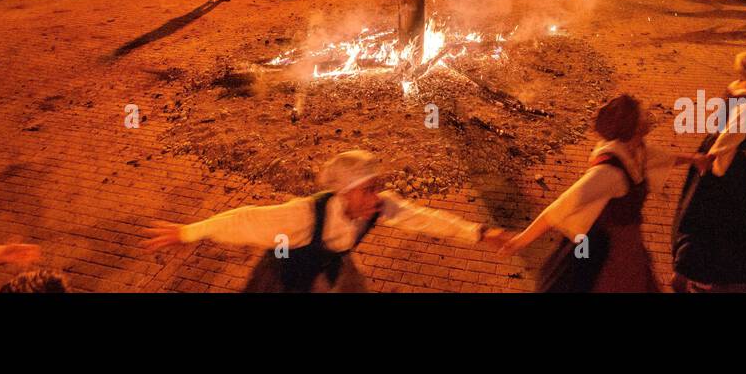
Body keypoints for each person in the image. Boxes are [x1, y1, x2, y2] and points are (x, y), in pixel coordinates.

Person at [143, 150, 505, 292]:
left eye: (377, 186)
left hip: (334, 267)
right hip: (283, 275)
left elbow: (424, 219)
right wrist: (189, 232)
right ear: (344, 192)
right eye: (368, 189)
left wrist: (479, 232)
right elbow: (245, 220)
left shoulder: (378, 208)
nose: (377, 196)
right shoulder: (303, 215)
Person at [499, 95, 676, 292]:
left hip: (631, 244)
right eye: (642, 115)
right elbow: (563, 206)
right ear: (632, 126)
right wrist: (521, 240)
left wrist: (695, 159)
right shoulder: (609, 171)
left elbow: (660, 158)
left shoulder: (637, 149)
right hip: (610, 251)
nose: (647, 116)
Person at [671, 51, 746, 292]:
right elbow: (734, 131)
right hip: (736, 165)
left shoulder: (735, 88)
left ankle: (686, 272)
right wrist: (712, 157)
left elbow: (740, 112)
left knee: (702, 214)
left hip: (717, 153)